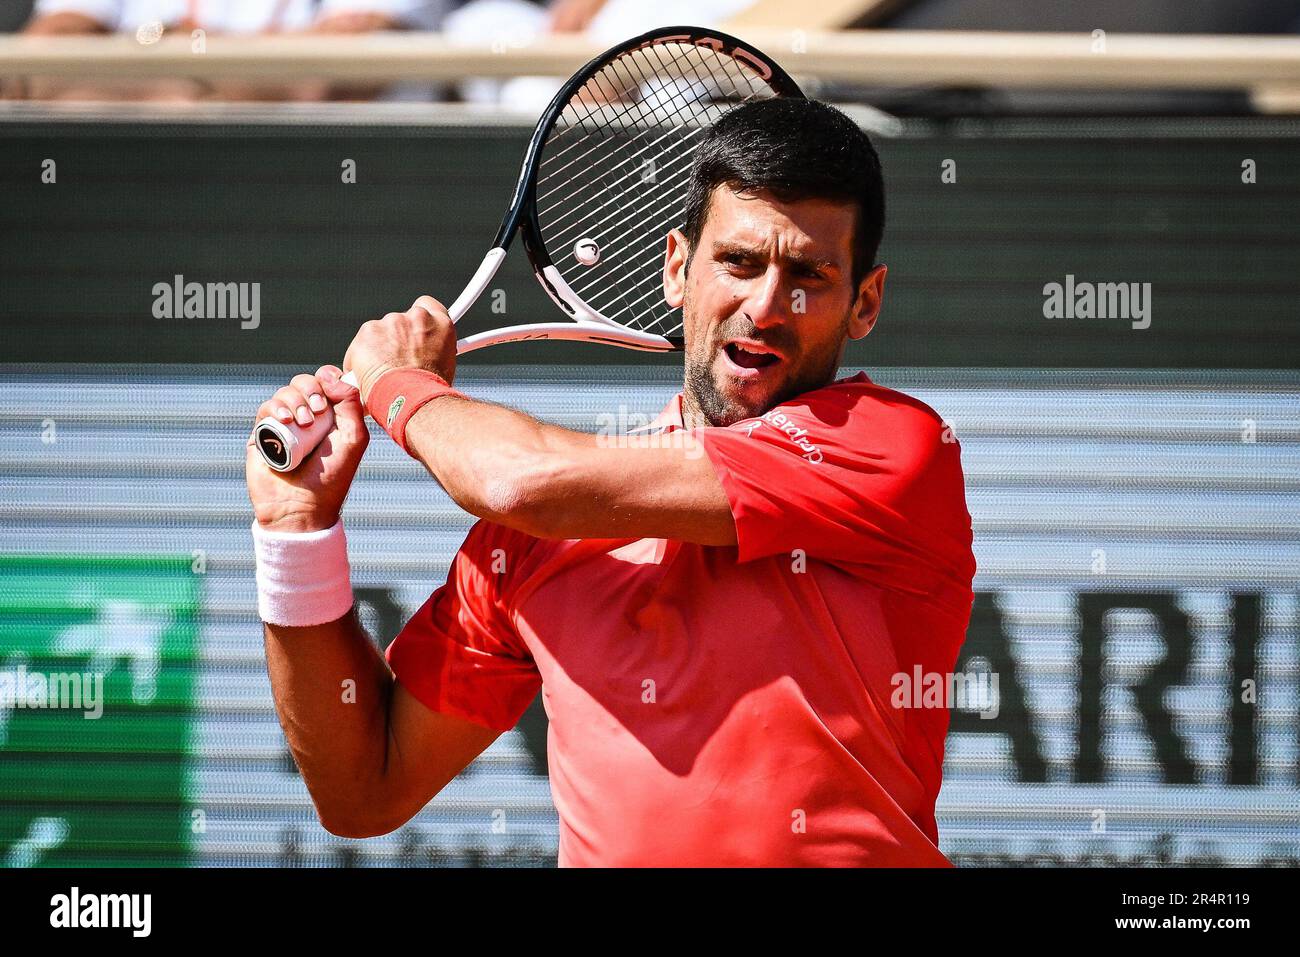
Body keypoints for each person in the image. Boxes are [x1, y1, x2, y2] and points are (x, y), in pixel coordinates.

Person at [246, 98, 977, 866]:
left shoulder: (896, 446)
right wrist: (297, 531)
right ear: (675, 267)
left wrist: (399, 385)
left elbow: (517, 481)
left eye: (808, 274)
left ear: (865, 301)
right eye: (738, 261)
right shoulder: (531, 540)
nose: (766, 305)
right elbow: (363, 790)